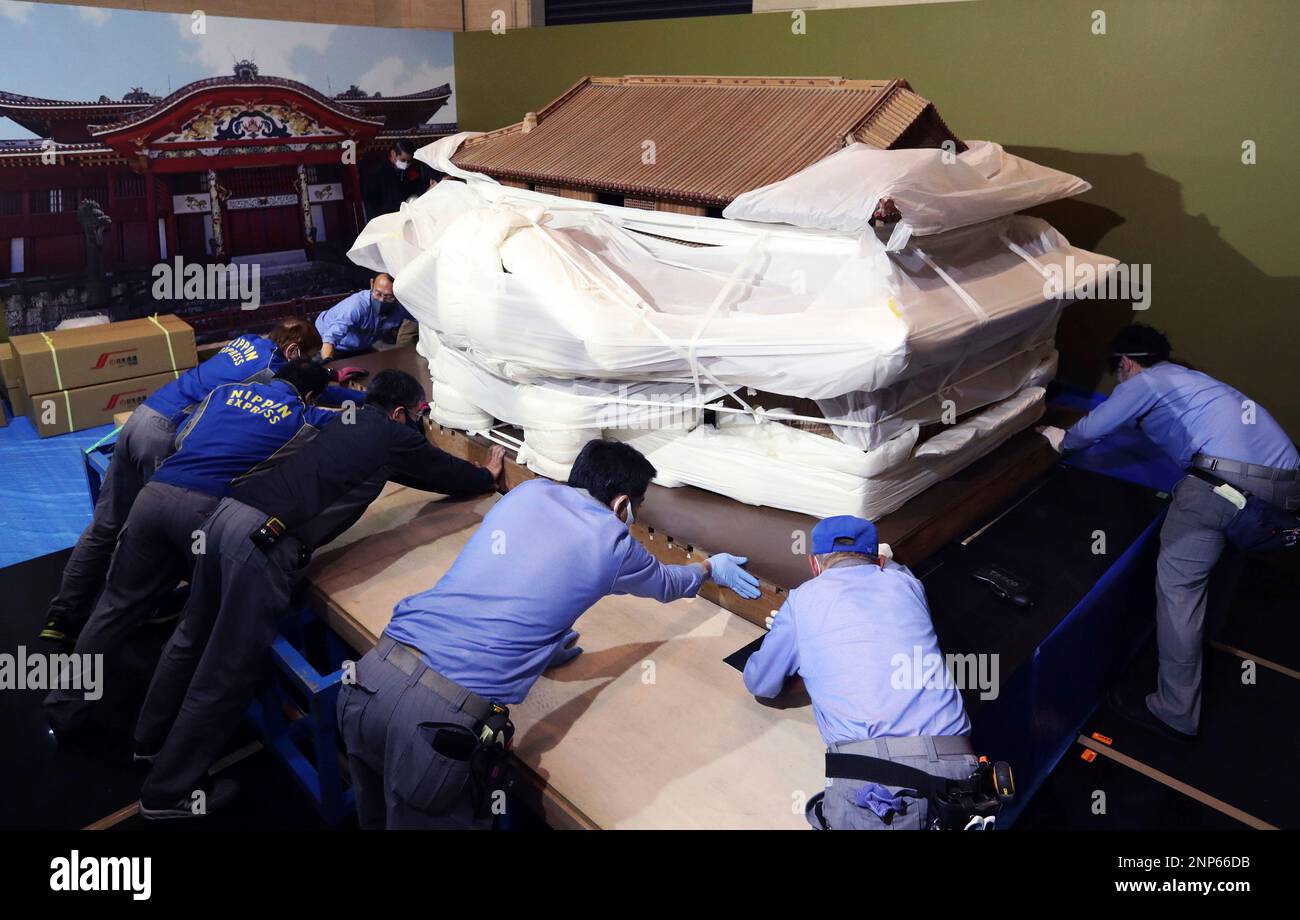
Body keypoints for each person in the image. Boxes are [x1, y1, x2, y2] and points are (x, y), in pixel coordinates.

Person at [336, 437, 762, 829]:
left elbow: (519, 569)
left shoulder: (527, 492)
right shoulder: (613, 542)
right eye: (639, 505)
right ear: (620, 505)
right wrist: (709, 568)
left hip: (373, 674)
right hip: (437, 726)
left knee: (371, 818)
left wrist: (540, 641)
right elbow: (667, 585)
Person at [133, 369, 502, 820]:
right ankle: (167, 793)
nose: (420, 425)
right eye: (420, 415)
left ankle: (149, 744)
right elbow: (443, 472)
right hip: (263, 543)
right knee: (224, 672)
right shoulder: (392, 433)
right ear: (401, 411)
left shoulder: (343, 419)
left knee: (189, 640)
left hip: (224, 517)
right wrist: (484, 475)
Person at [44, 360, 339, 736]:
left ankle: (64, 706)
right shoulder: (305, 415)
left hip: (156, 494)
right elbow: (357, 430)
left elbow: (182, 437)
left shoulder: (226, 391)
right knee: (199, 621)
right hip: (205, 513)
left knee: (114, 606)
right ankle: (157, 737)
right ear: (310, 395)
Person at [1039, 324, 1299, 741]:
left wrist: (1059, 439)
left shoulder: (1147, 381)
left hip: (1221, 489)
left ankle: (1175, 711)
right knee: (1211, 566)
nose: (1122, 381)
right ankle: (1196, 650)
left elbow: (1090, 430)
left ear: (1126, 363)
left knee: (1179, 593)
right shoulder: (1194, 380)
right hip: (1284, 488)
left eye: (1119, 374)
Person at [40, 318, 324, 646]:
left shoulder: (247, 339)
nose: (308, 365)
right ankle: (142, 602)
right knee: (165, 531)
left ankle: (62, 614)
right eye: (308, 358)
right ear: (292, 350)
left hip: (140, 418)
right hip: (164, 434)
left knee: (105, 525)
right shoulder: (272, 369)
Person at [743, 515, 973, 830]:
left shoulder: (802, 599)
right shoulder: (907, 584)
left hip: (878, 788)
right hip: (960, 772)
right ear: (877, 559)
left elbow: (760, 682)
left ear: (814, 564)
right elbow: (893, 567)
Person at [314, 273, 411, 360]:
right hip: (327, 343)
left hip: (361, 346)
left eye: (388, 297)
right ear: (372, 284)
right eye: (378, 294)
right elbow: (329, 338)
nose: (381, 300)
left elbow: (421, 318)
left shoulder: (400, 307)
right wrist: (328, 365)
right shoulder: (356, 306)